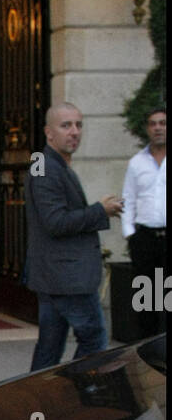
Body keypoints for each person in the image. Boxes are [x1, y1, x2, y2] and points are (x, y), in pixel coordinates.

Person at [25, 102, 124, 371]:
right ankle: (76, 396)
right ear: (49, 133)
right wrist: (99, 211)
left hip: (57, 276)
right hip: (67, 278)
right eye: (66, 125)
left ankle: (39, 403)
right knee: (94, 339)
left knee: (49, 349)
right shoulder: (45, 166)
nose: (75, 131)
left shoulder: (53, 164)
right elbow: (55, 222)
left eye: (79, 125)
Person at [122, 104, 166, 339]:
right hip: (145, 239)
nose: (158, 128)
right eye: (153, 123)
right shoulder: (136, 163)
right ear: (147, 129)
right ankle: (146, 348)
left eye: (163, 123)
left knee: (168, 298)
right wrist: (130, 234)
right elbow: (128, 198)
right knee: (146, 299)